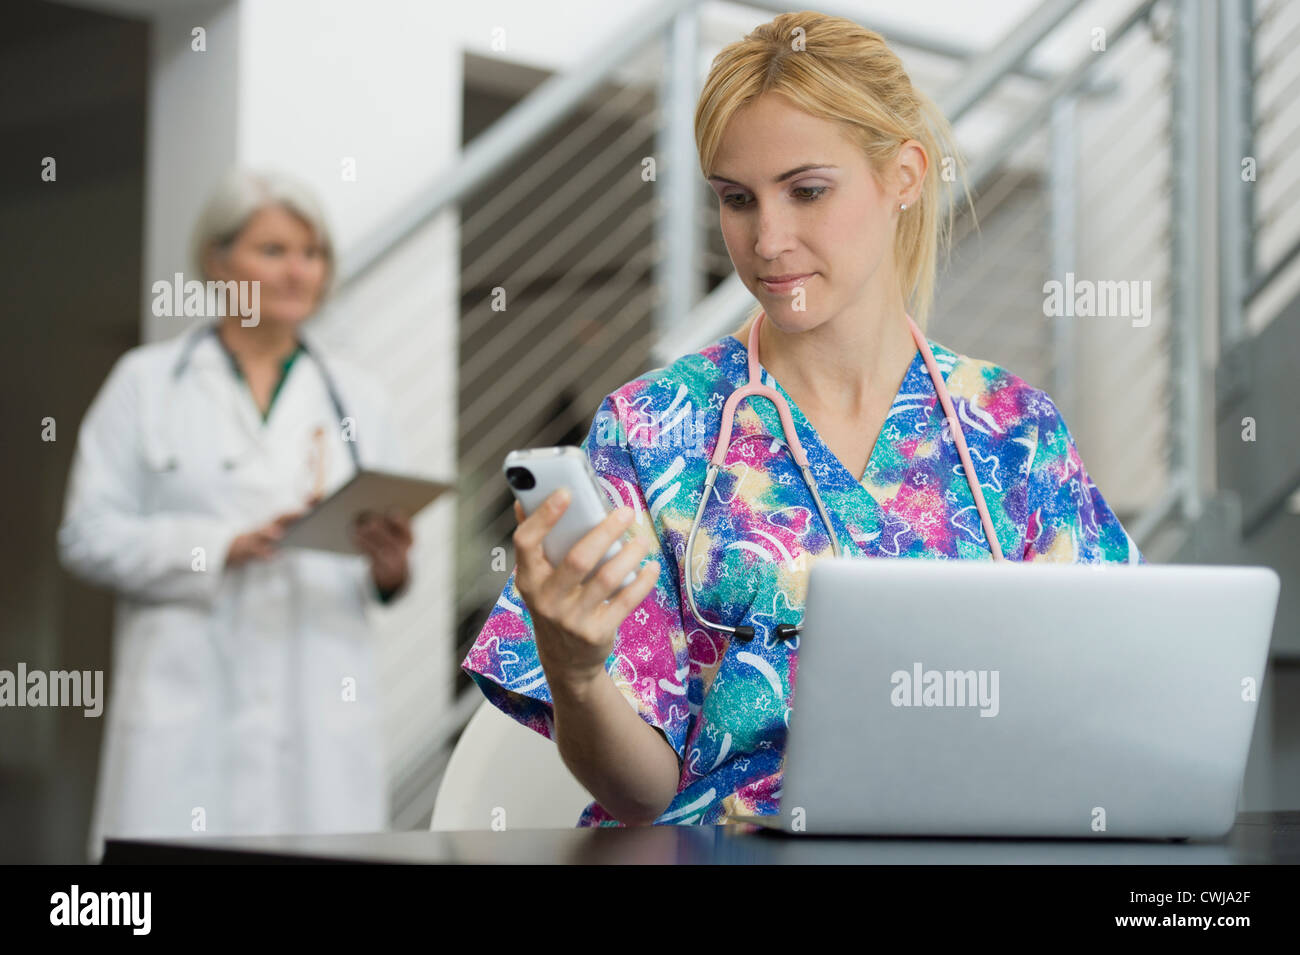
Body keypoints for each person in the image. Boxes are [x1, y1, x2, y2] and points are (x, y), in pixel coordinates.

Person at [461, 12, 1146, 828]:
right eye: (737, 200)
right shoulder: (652, 431)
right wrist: (575, 675)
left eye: (807, 190)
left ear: (905, 175)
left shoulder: (1014, 430)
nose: (768, 240)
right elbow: (639, 792)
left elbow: (1117, 698)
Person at [58, 168, 415, 862]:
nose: (297, 271)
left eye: (311, 254)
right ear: (218, 262)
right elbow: (86, 534)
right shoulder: (146, 383)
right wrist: (217, 546)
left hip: (318, 708)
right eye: (274, 250)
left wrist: (391, 566)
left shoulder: (358, 395)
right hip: (187, 706)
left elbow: (393, 571)